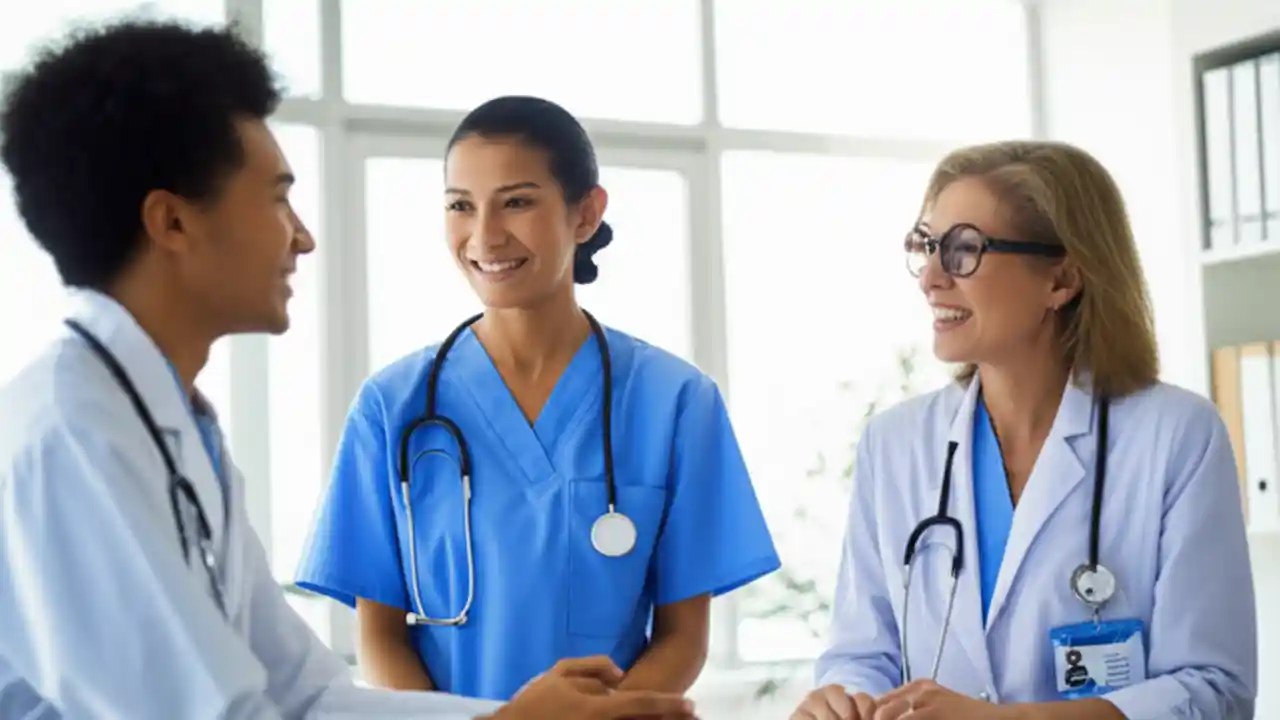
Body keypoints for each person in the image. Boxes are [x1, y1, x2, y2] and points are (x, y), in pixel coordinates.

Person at [0, 20, 697, 720]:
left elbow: (307, 694)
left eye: (516, 201)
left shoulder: (174, 430)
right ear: (173, 224)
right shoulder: (71, 436)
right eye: (276, 197)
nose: (301, 235)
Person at [294, 95, 781, 701]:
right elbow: (381, 640)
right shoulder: (392, 407)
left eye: (517, 202)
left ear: (585, 214)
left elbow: (683, 640)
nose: (485, 235)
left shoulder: (677, 403)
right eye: (460, 206)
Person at [790, 141, 1257, 719]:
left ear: (1060, 280)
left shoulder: (1177, 436)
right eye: (926, 246)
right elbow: (863, 653)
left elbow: (1214, 691)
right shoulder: (895, 444)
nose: (931, 278)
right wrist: (844, 698)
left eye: (964, 250)